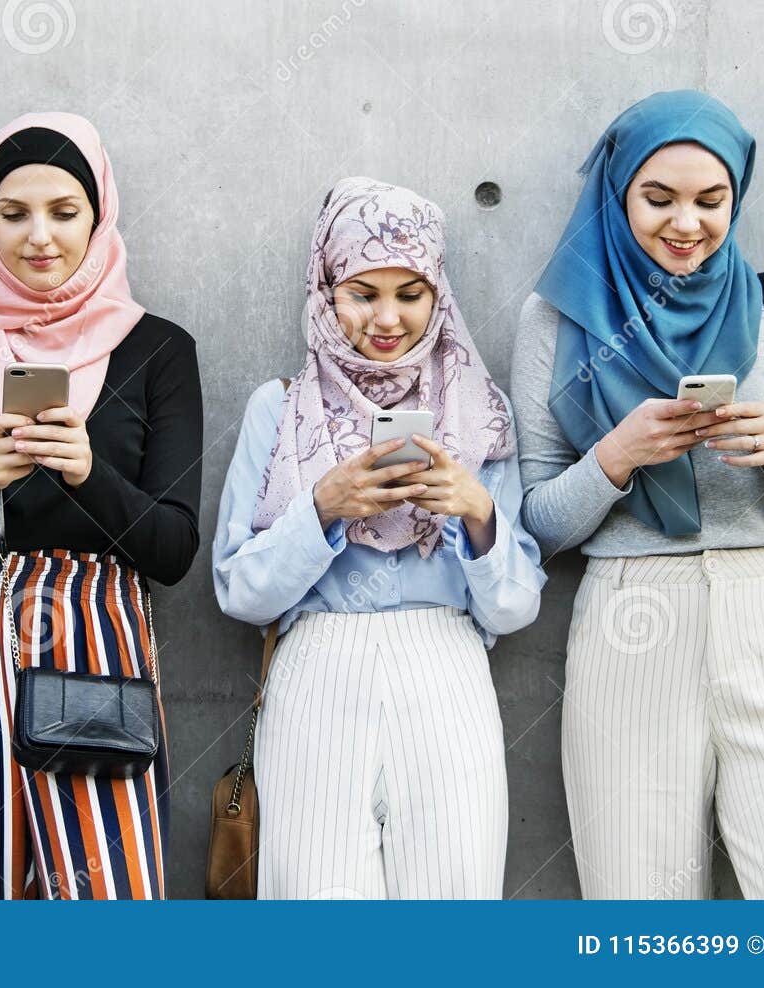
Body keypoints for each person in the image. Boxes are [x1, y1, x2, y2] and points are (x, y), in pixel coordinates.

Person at [510, 89, 764, 899]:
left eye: (712, 201)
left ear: (737, 198)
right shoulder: (554, 319)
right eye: (658, 198)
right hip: (632, 625)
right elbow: (536, 527)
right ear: (617, 193)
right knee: (642, 923)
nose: (687, 224)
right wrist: (614, 456)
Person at [0, 112, 203, 900]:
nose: (39, 237)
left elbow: (172, 552)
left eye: (65, 212)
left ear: (99, 218)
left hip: (99, 644)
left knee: (112, 897)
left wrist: (87, 473)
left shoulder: (158, 349)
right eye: (13, 213)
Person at [213, 176, 544, 899]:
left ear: (438, 295)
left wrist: (477, 513)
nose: (387, 318)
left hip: (448, 669)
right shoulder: (280, 408)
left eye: (410, 293)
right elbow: (239, 591)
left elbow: (515, 609)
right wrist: (322, 508)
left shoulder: (482, 414)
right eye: (362, 293)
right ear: (326, 289)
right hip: (316, 673)